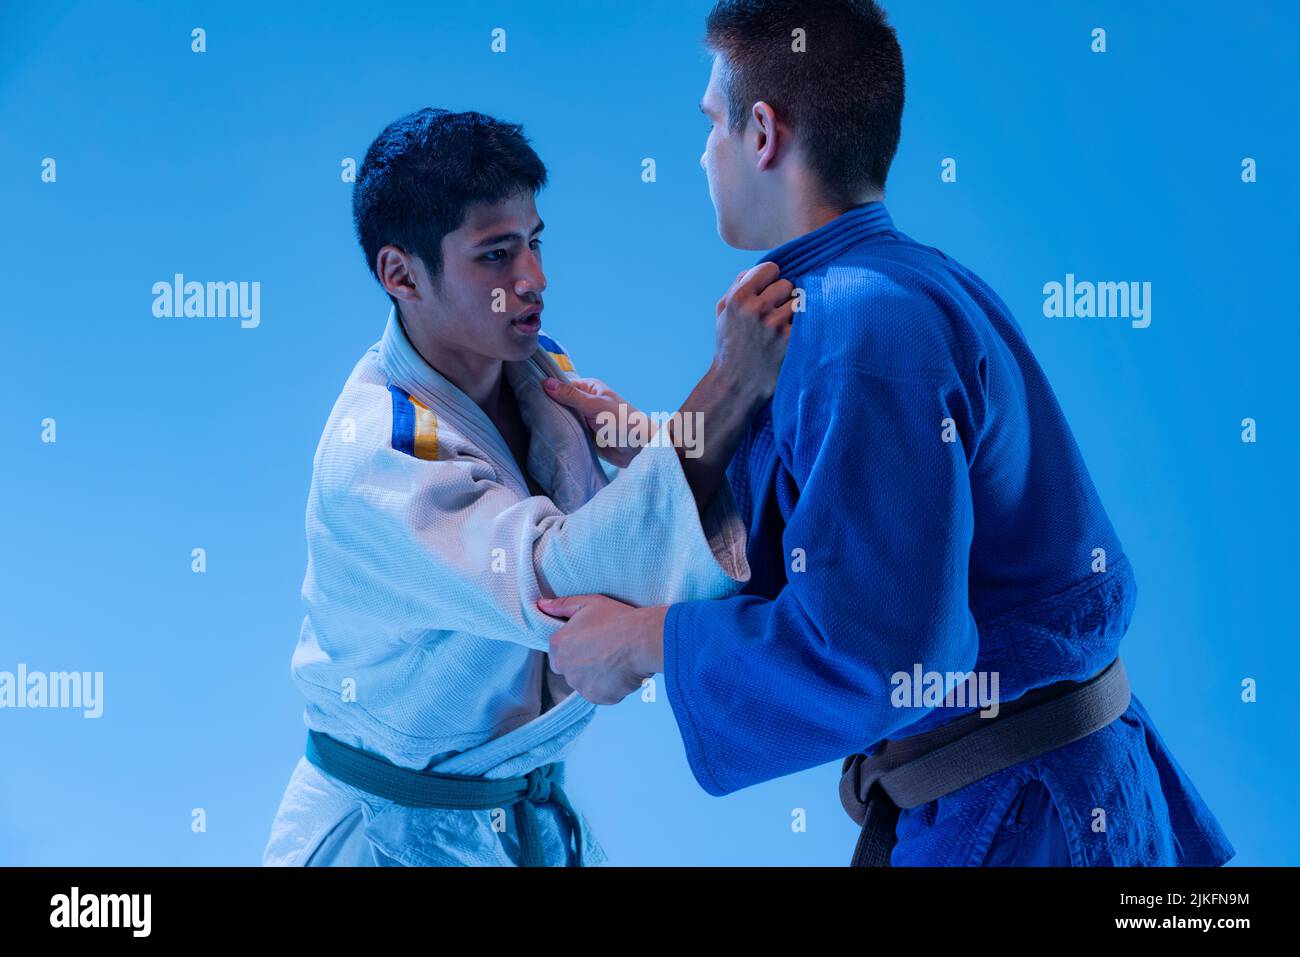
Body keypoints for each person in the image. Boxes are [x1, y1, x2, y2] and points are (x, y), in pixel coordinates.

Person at [542, 0, 1234, 866]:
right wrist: (664, 442)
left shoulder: (859, 325)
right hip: (1042, 792)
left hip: (1026, 818)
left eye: (711, 124)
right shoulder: (902, 287)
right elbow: (835, 517)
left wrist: (643, 642)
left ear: (762, 133)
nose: (703, 153)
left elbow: (885, 651)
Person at [262, 107, 794, 866]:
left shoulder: (539, 371)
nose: (534, 280)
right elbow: (560, 581)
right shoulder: (377, 453)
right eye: (495, 255)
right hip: (388, 834)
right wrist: (729, 386)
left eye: (535, 243)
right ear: (401, 273)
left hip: (519, 818)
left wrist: (651, 444)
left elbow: (634, 535)